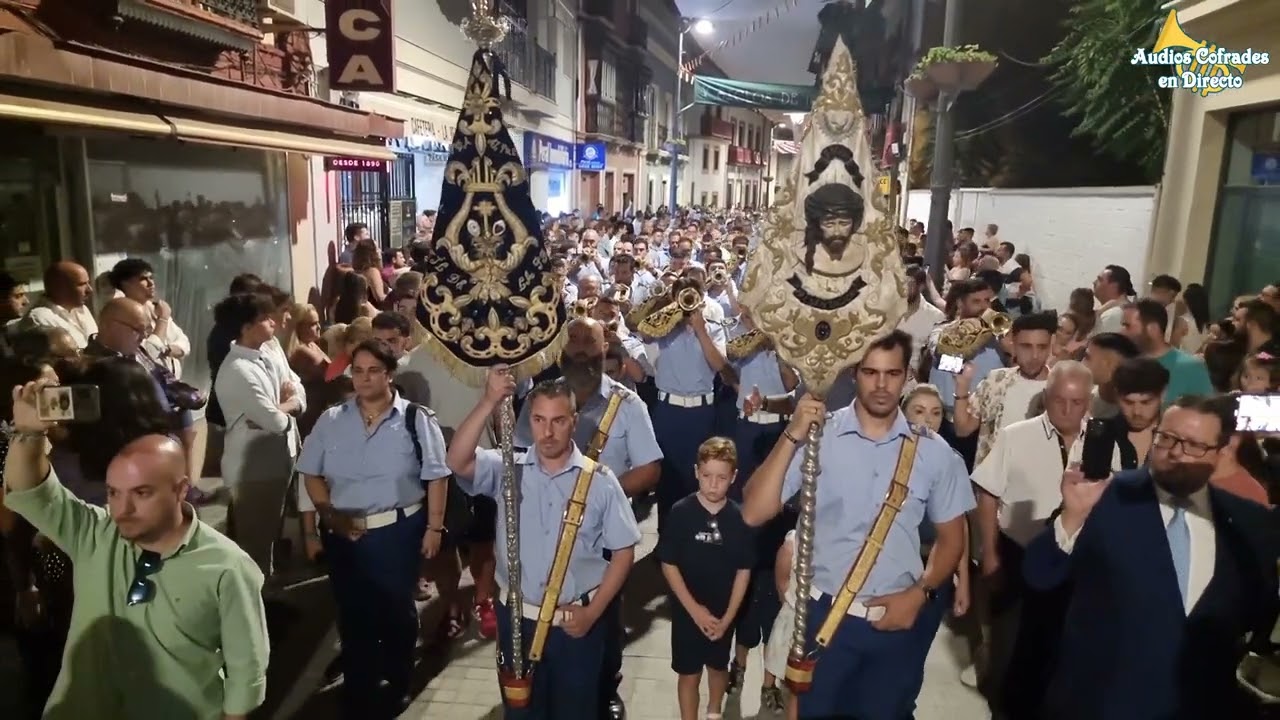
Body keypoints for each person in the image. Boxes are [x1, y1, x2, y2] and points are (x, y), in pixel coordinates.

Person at [741, 329, 975, 719]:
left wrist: (921, 594)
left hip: (895, 622)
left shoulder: (935, 455)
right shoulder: (820, 437)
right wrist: (792, 433)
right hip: (823, 620)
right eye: (870, 372)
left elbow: (952, 538)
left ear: (907, 376)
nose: (881, 385)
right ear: (853, 374)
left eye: (892, 373)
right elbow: (754, 511)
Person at [2, 382, 268, 719]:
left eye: (141, 493)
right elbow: (31, 490)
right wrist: (28, 432)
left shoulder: (227, 567)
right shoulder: (95, 533)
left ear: (180, 489)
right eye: (113, 493)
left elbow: (246, 672)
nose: (121, 509)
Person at [1024, 394, 1280, 719]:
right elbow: (1039, 574)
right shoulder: (1105, 496)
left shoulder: (1247, 520)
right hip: (1098, 704)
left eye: (1194, 445)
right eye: (1167, 438)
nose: (1176, 452)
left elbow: (1255, 610)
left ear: (1220, 452)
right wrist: (1071, 517)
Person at [446, 371, 642, 719]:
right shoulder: (510, 467)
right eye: (538, 420)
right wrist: (489, 401)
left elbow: (624, 553)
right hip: (516, 621)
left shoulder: (599, 481)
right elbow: (457, 461)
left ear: (574, 421)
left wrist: (593, 613)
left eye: (558, 421)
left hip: (574, 623)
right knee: (521, 712)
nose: (547, 432)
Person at [512, 316, 662, 719]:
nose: (579, 348)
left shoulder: (627, 406)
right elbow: (518, 459)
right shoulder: (539, 402)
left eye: (588, 341)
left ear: (604, 347)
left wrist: (596, 498)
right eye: (573, 339)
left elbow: (650, 469)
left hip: (602, 533)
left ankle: (605, 688)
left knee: (604, 616)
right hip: (544, 528)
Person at [297, 339, 451, 718]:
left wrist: (434, 528)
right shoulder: (332, 420)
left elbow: (436, 476)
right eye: (358, 370)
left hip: (396, 533)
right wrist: (326, 517)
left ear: (390, 374)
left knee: (395, 611)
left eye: (373, 371)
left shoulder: (416, 419)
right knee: (353, 613)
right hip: (344, 534)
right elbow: (309, 472)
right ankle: (360, 686)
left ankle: (397, 682)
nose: (364, 379)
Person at [658, 437, 754, 720]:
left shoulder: (740, 519)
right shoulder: (680, 512)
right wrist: (694, 610)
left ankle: (714, 711)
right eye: (707, 476)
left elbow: (744, 570)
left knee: (717, 666)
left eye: (721, 478)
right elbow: (668, 563)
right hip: (689, 612)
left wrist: (727, 618)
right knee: (688, 673)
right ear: (696, 472)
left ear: (733, 477)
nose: (713, 484)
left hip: (723, 613)